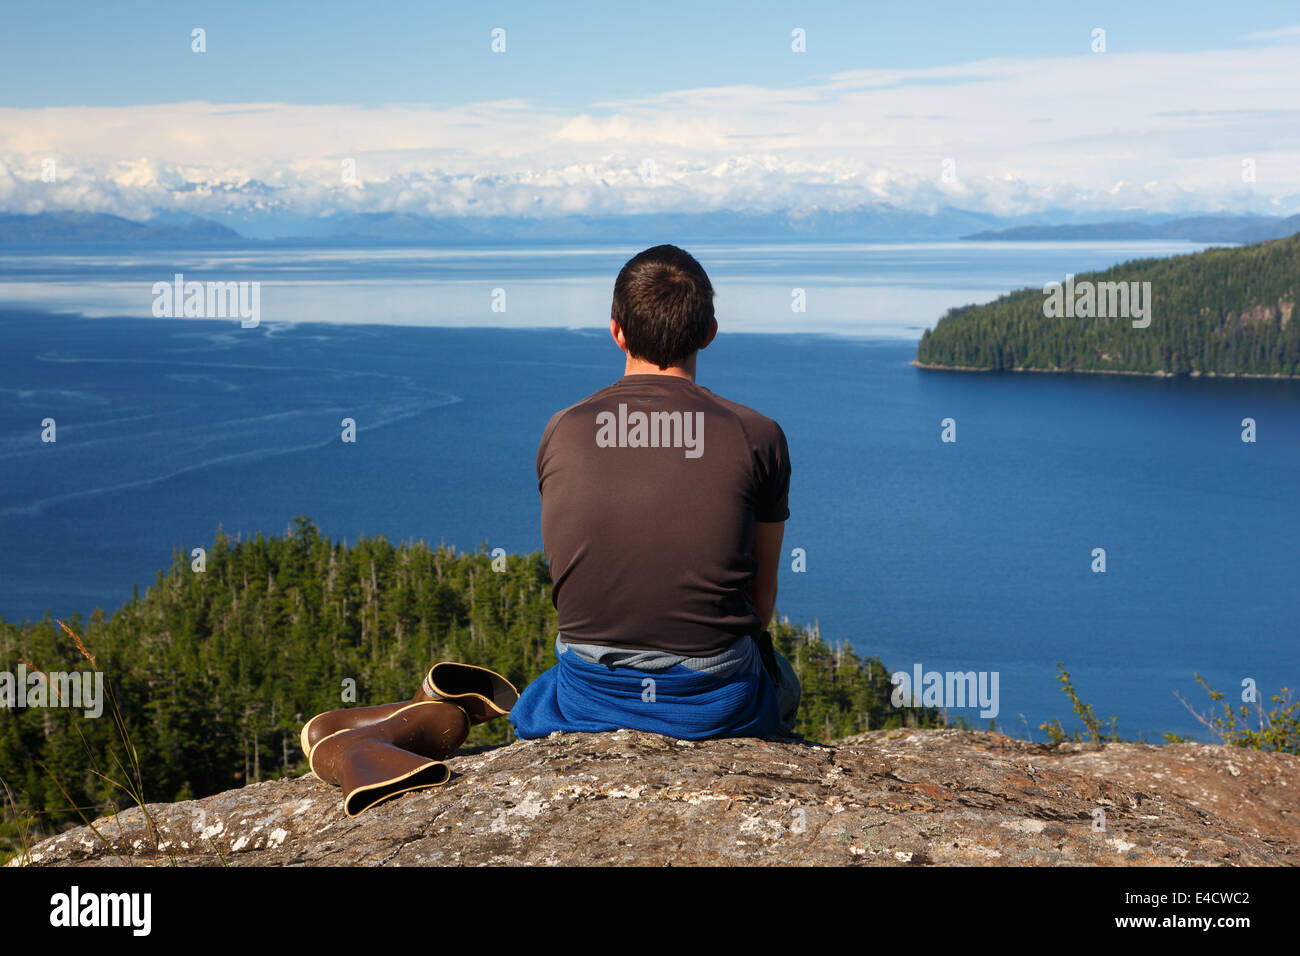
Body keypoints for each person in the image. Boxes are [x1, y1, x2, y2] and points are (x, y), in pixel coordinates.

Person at [508, 244, 801, 740]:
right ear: (709, 333)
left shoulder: (563, 428)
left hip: (590, 691)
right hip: (715, 700)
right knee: (786, 686)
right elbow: (760, 597)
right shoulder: (759, 435)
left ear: (616, 330)